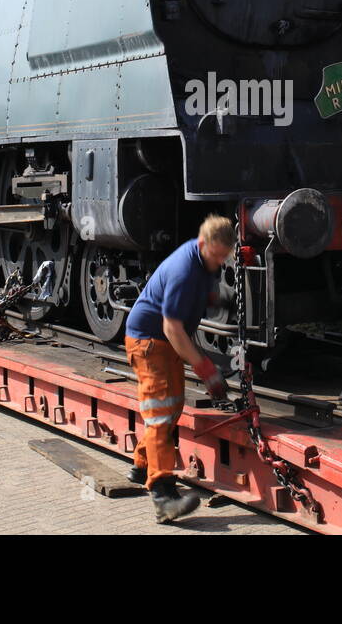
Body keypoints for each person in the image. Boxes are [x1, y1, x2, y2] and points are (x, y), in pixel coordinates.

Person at [124, 214, 235, 523]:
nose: (219, 263)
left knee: (172, 408)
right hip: (150, 342)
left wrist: (221, 300)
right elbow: (172, 328)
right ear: (203, 244)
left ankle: (142, 465)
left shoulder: (201, 261)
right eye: (217, 256)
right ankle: (163, 495)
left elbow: (199, 293)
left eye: (224, 258)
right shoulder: (185, 269)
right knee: (160, 414)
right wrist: (205, 368)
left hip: (164, 343)